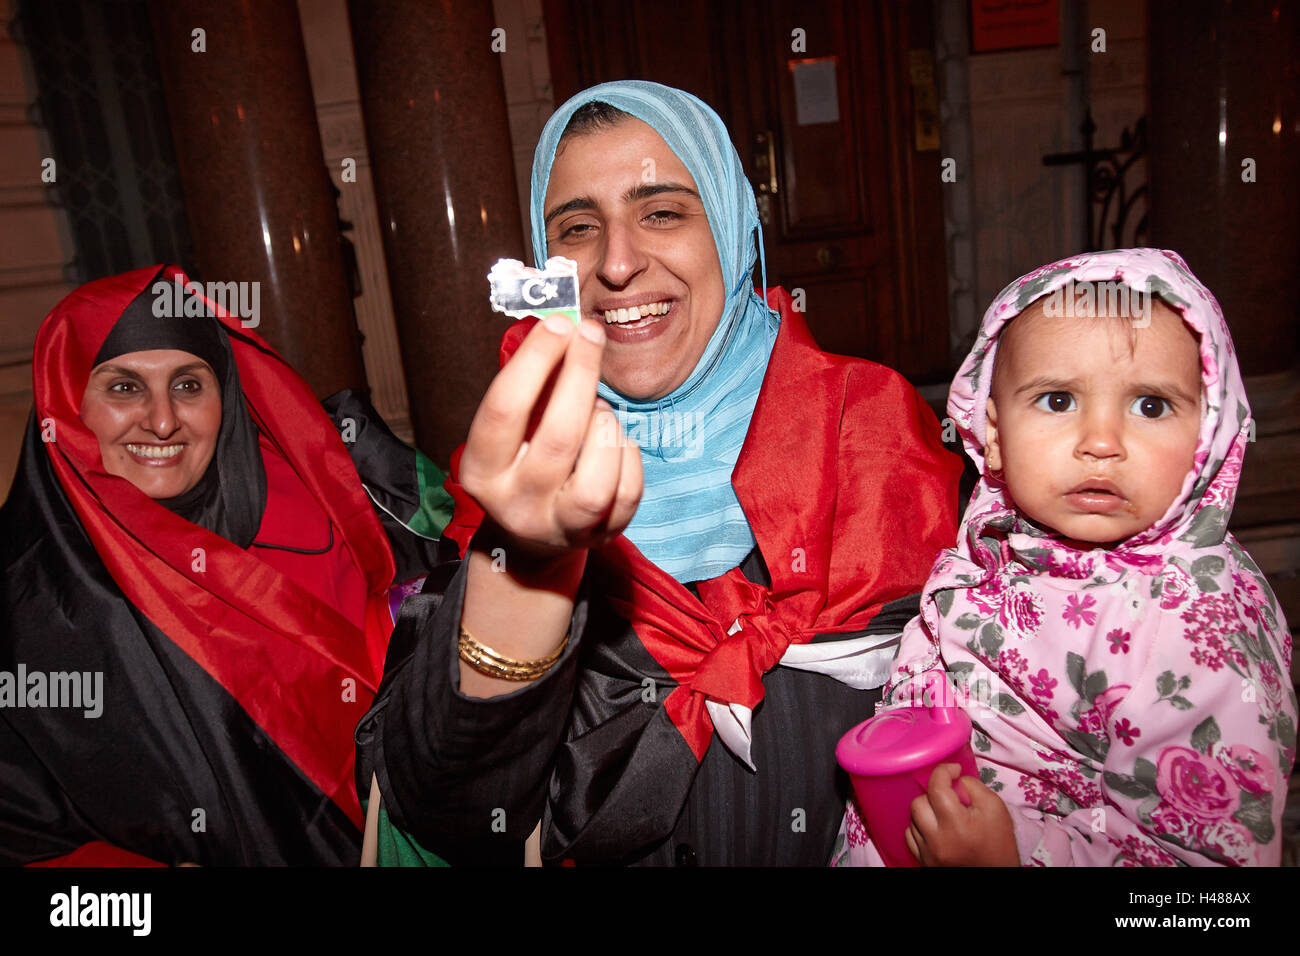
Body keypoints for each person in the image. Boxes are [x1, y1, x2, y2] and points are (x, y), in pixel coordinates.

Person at [357, 80, 963, 866]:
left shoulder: (873, 431)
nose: (616, 263)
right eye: (577, 227)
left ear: (736, 231)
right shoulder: (527, 474)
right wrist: (530, 560)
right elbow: (447, 807)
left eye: (663, 212)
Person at [834, 249, 1297, 866]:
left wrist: (1013, 859)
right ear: (994, 434)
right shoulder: (998, 540)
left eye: (1150, 406)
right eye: (1057, 400)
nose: (1101, 442)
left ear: (1207, 437)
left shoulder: (1196, 627)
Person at [0, 264, 452, 865]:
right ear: (69, 403)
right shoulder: (26, 605)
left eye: (188, 385)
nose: (162, 421)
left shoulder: (326, 503)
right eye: (124, 387)